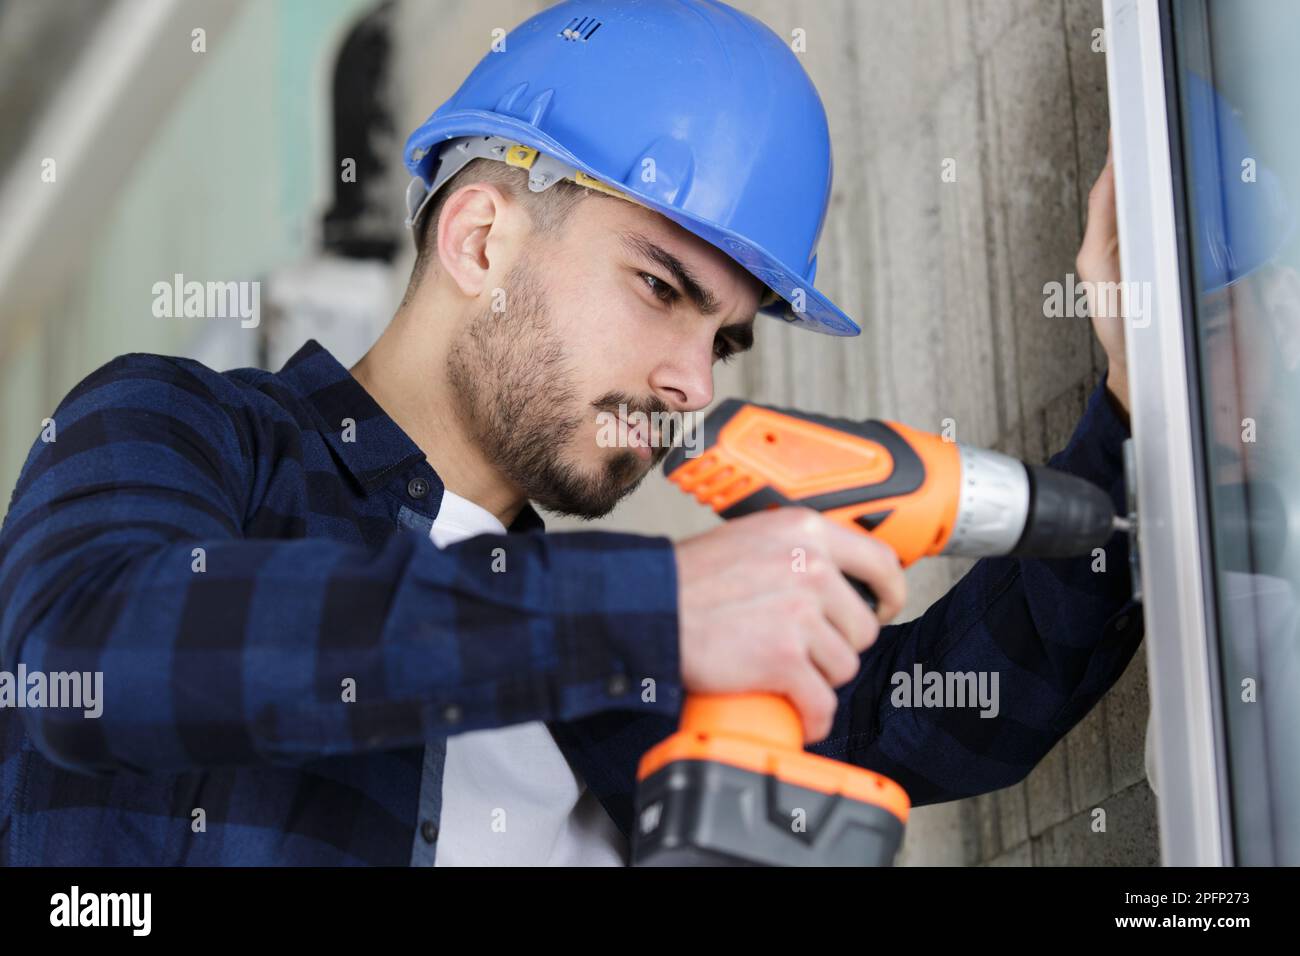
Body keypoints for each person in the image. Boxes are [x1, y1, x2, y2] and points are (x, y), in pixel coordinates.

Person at [0, 0, 1137, 866]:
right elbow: (87, 658)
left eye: (725, 341)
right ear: (482, 239)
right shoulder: (187, 429)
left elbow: (924, 714)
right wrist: (659, 610)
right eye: (659, 287)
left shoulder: (616, 667)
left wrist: (1132, 424)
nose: (689, 384)